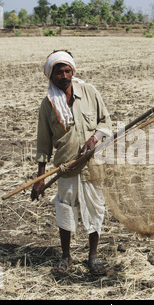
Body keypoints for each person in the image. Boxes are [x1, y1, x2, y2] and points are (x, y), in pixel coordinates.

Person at [31, 50, 112, 275]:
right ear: (51, 76)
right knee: (65, 209)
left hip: (92, 166)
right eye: (59, 72)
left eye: (67, 71)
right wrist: (40, 177)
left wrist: (95, 138)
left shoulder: (89, 92)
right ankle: (66, 257)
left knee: (95, 209)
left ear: (73, 71)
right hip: (65, 168)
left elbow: (106, 122)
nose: (64, 76)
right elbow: (43, 143)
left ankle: (93, 256)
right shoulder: (48, 105)